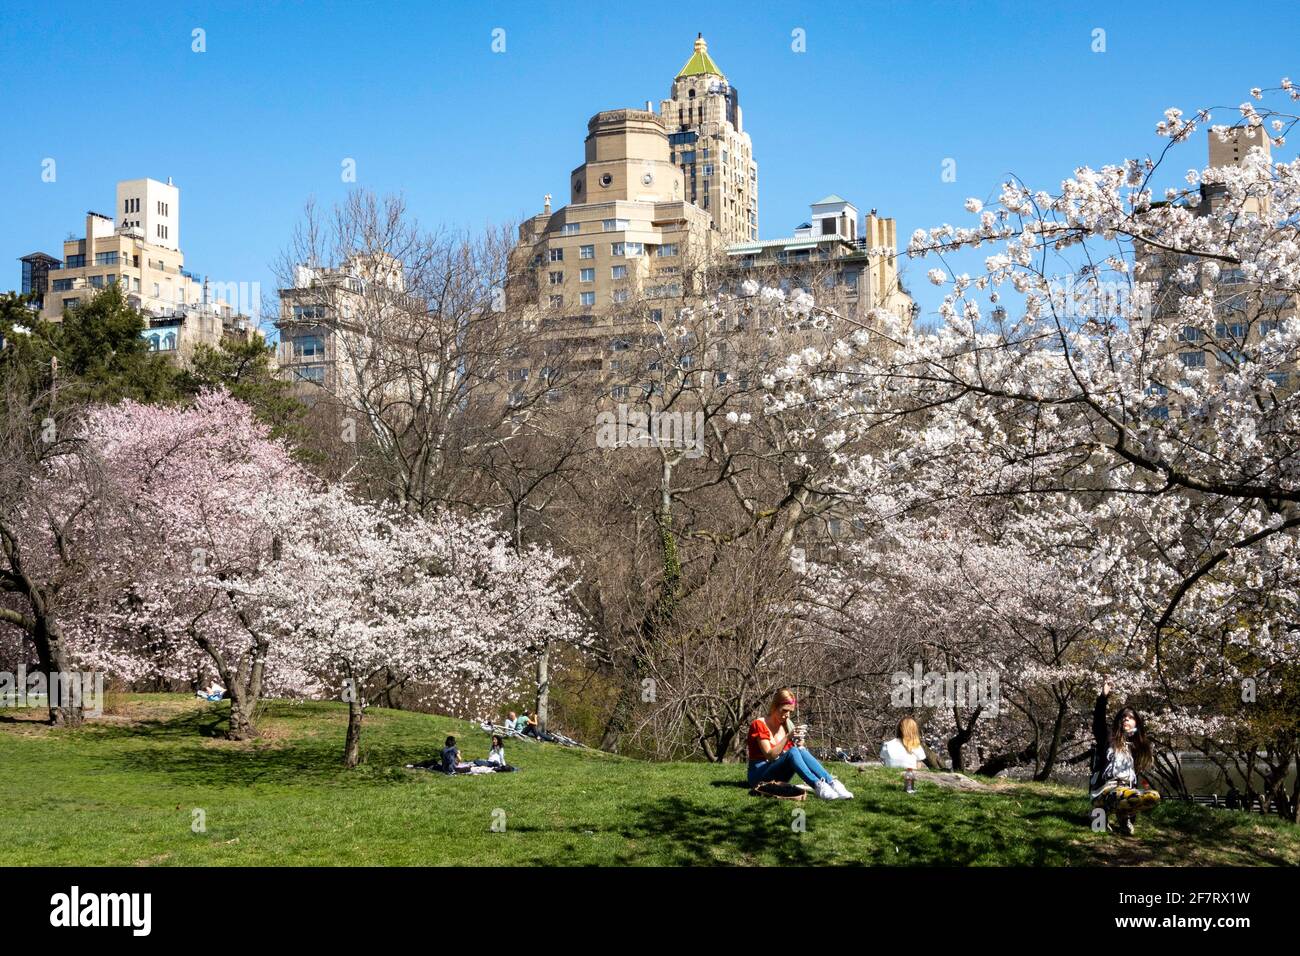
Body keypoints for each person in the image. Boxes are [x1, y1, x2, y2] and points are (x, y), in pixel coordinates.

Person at [747, 688, 853, 800]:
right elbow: (770, 755)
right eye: (784, 710)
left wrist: (799, 743)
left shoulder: (787, 725)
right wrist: (788, 737)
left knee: (799, 750)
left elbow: (793, 754)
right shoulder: (759, 724)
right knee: (793, 751)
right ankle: (818, 785)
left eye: (790, 712)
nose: (787, 715)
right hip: (759, 776)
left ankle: (831, 782)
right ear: (775, 706)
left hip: (779, 774)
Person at [1089, 679, 1161, 835]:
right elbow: (1098, 723)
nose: (1126, 719)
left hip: (1127, 791)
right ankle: (1100, 811)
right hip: (1106, 789)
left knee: (1153, 796)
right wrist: (1103, 697)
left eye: (1130, 717)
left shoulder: (1135, 747)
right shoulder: (1107, 739)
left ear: (1136, 723)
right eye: (1123, 717)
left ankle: (1124, 816)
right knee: (1098, 828)